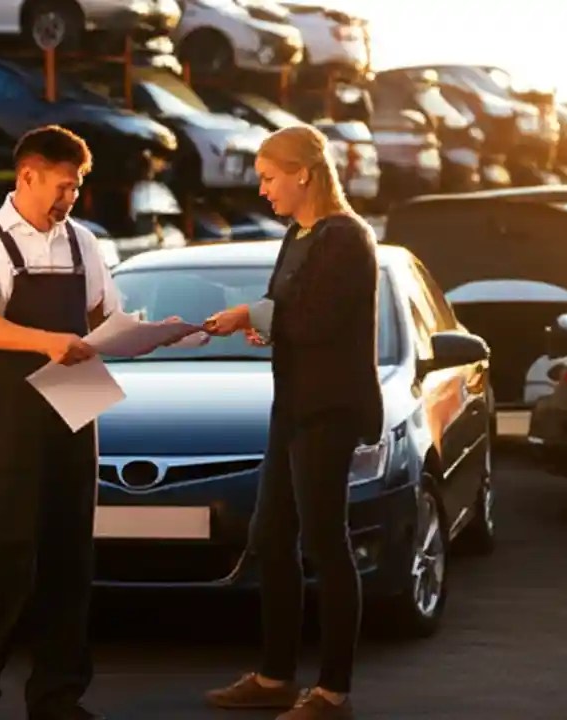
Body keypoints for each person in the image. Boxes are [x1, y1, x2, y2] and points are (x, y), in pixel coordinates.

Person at [201, 125, 383, 720]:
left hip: (328, 412)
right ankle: (275, 677)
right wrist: (263, 321)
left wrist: (253, 315)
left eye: (269, 177)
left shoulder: (346, 238)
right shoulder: (298, 234)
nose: (262, 190)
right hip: (293, 408)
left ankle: (332, 694)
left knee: (327, 546)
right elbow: (288, 311)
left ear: (303, 173)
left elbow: (315, 322)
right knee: (272, 537)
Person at [0, 126, 115, 720]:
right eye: (64, 186)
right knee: (4, 553)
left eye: (78, 187)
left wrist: (164, 330)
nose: (70, 198)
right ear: (28, 176)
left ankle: (58, 697)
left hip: (76, 403)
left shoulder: (83, 242)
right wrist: (48, 342)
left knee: (71, 556)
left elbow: (104, 316)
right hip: (13, 410)